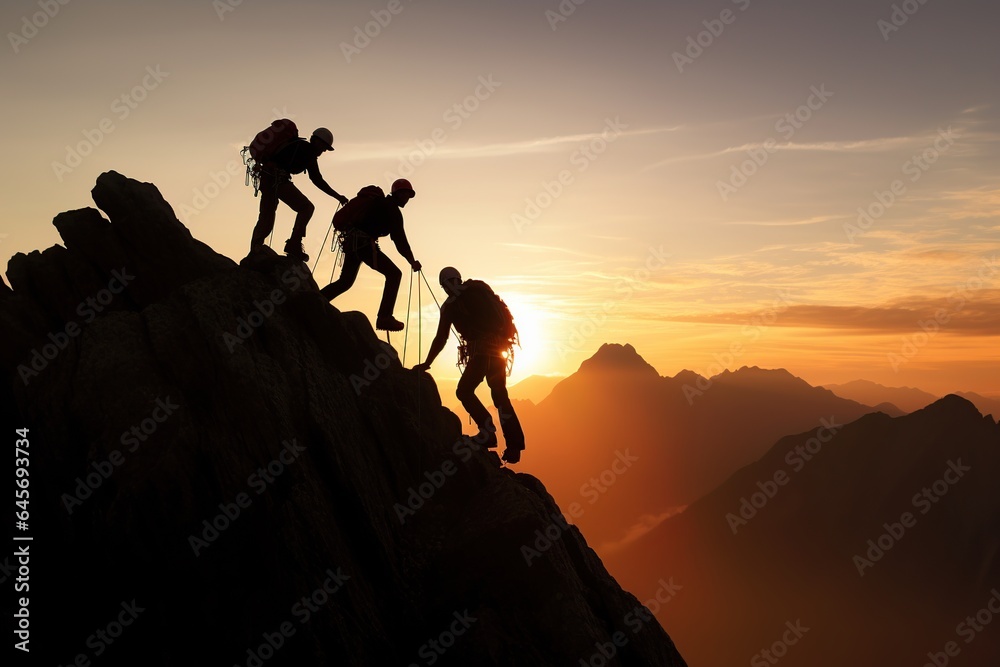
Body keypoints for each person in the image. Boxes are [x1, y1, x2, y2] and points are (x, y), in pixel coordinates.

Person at [413, 267, 525, 464]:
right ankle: (514, 447)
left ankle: (487, 432)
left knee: (464, 391)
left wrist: (427, 363)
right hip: (499, 352)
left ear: (444, 285)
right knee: (500, 396)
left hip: (481, 353)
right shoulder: (479, 289)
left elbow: (441, 338)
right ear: (459, 278)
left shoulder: (450, 306)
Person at [320, 179, 421, 332]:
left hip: (353, 244)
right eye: (405, 194)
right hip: (364, 245)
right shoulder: (391, 209)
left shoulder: (380, 204)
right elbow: (399, 239)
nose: (407, 198)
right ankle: (384, 317)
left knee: (345, 281)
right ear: (397, 193)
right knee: (394, 274)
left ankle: (317, 298)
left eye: (409, 195)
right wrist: (412, 261)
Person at [249, 127, 349, 263]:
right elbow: (317, 179)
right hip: (277, 180)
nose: (323, 151)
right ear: (316, 141)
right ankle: (294, 244)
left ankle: (255, 249)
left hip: (268, 179)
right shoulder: (308, 151)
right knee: (306, 208)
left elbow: (316, 179)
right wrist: (338, 196)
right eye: (324, 147)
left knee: (266, 215)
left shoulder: (299, 146)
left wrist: (337, 196)